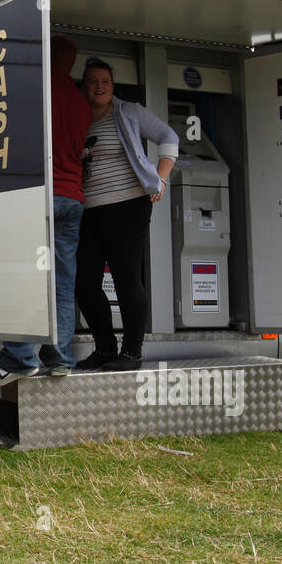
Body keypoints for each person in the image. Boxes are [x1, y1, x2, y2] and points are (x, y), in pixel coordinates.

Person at [0, 36, 90, 387]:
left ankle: (20, 359)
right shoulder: (81, 102)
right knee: (61, 283)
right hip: (72, 199)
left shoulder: (34, 92)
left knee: (25, 278)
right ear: (71, 63)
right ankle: (59, 358)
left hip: (38, 196)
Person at [73, 58, 178, 371]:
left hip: (128, 205)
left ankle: (132, 352)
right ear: (83, 86)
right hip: (88, 209)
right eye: (93, 81)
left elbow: (169, 136)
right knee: (84, 282)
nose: (100, 87)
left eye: (105, 81)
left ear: (113, 86)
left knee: (126, 278)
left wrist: (161, 177)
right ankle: (105, 348)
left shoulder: (128, 112)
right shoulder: (78, 117)